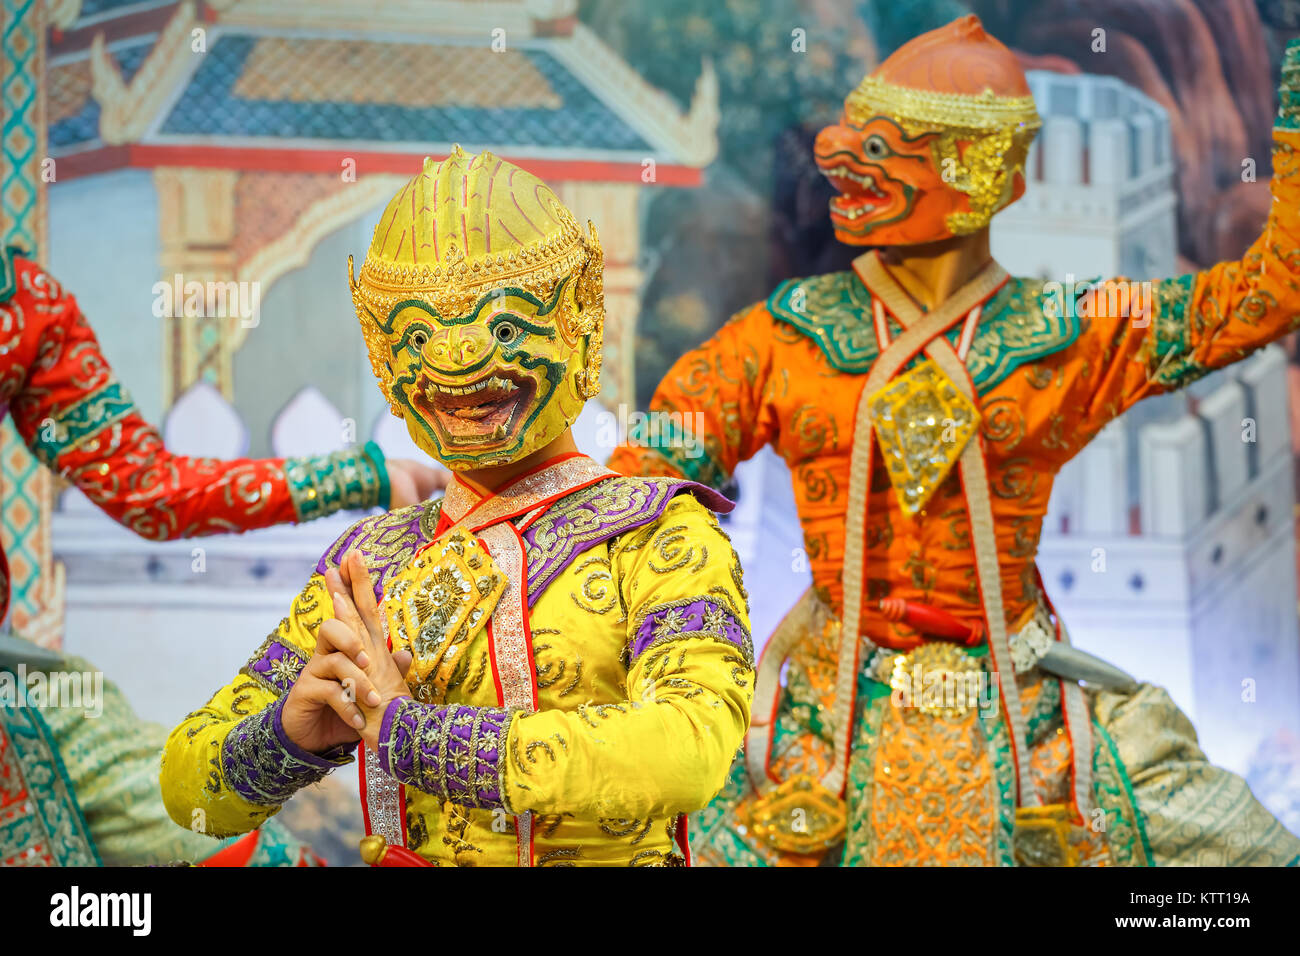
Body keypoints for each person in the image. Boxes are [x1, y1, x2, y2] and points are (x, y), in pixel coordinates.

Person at [607, 15, 1300, 866]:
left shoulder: (1072, 328)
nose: (841, 163)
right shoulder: (783, 339)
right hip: (817, 730)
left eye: (882, 148)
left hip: (1032, 726)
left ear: (974, 171)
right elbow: (645, 480)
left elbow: (1267, 293)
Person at [159, 148, 753, 867]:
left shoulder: (658, 534)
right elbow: (187, 785)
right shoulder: (370, 565)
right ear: (385, 357)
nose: (455, 365)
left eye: (504, 329)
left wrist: (409, 735)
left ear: (580, 321)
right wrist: (290, 735)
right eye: (416, 336)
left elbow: (689, 752)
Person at [0, 245, 443, 866]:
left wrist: (361, 477)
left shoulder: (19, 301)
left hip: (18, 687)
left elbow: (146, 489)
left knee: (244, 851)